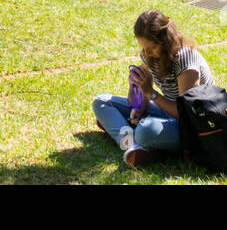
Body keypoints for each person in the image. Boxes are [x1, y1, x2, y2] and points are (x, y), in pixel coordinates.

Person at [92, 9, 215, 168]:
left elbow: (187, 113)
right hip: (167, 110)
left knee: (145, 130)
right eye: (144, 48)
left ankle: (129, 136)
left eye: (151, 48)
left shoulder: (185, 60)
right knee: (101, 102)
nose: (147, 53)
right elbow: (140, 97)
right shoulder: (150, 55)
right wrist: (139, 104)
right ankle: (137, 146)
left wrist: (151, 93)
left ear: (165, 41)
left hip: (193, 125)